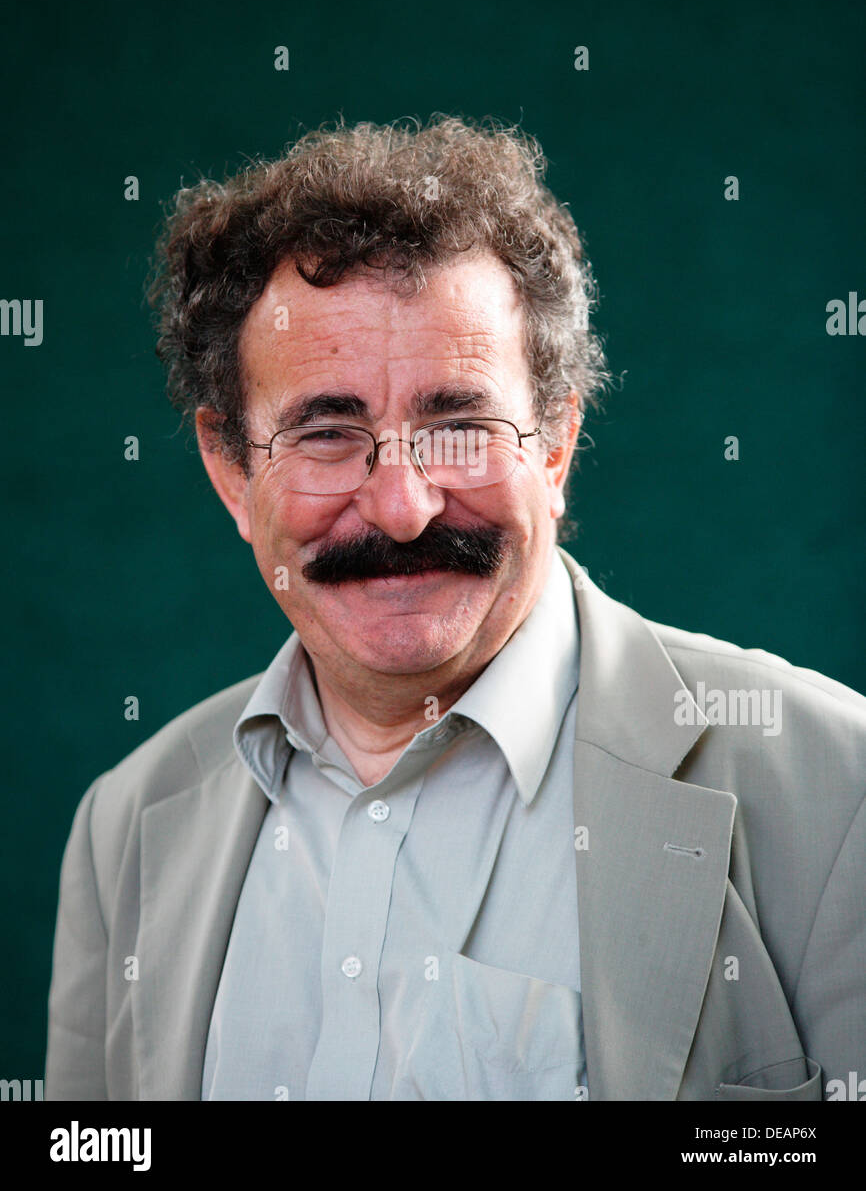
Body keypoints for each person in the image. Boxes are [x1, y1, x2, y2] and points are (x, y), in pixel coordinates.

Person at [45, 115, 866, 1101]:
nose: (402, 508)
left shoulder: (838, 792)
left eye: (459, 426)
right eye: (326, 433)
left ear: (554, 446)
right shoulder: (125, 829)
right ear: (231, 472)